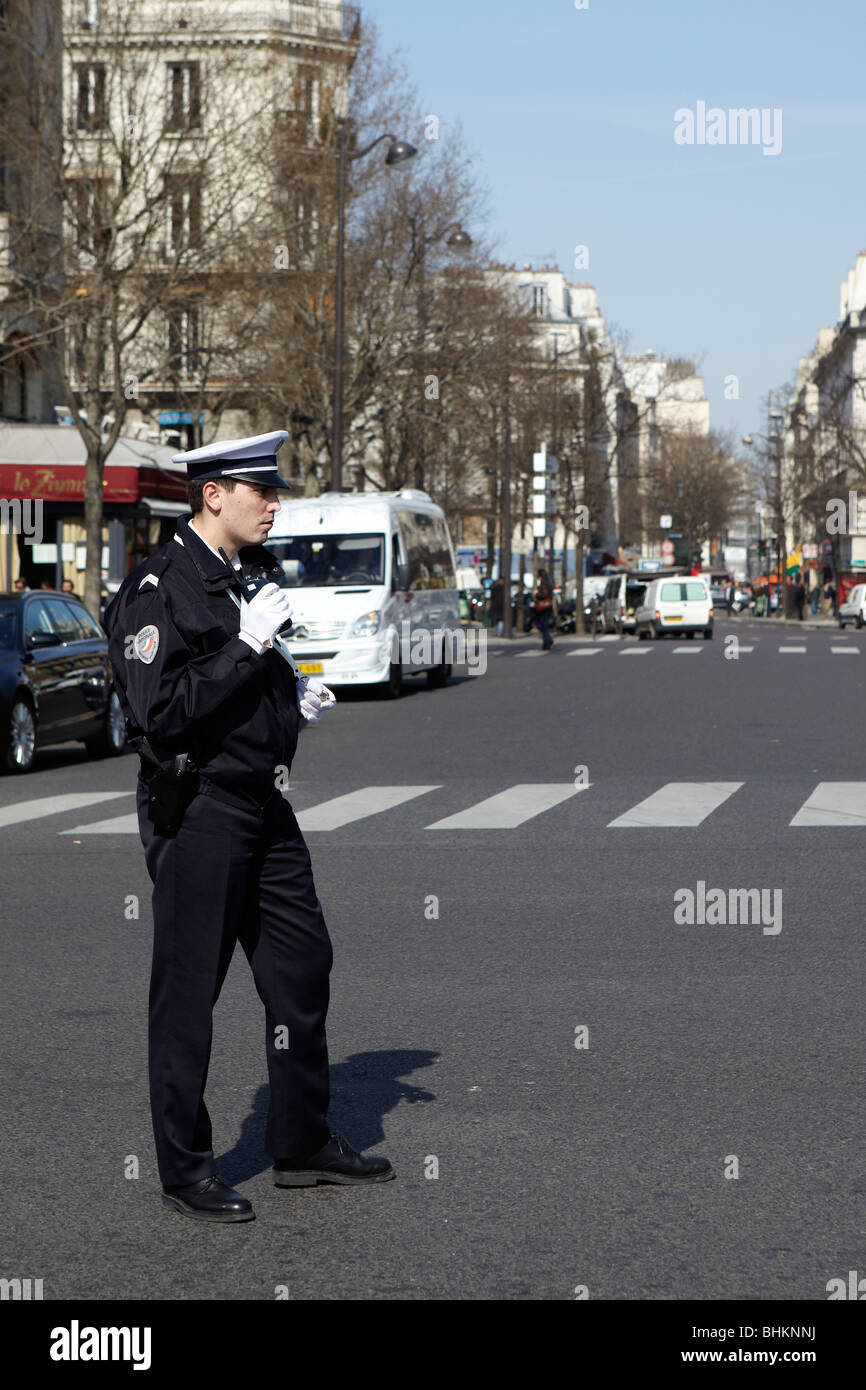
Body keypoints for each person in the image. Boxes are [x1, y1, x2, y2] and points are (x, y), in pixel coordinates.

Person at [102, 430, 394, 1224]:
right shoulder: (158, 590)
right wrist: (246, 644)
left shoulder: (245, 574)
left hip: (264, 806)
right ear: (213, 495)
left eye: (276, 491)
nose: (275, 504)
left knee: (302, 969)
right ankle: (185, 1168)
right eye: (261, 491)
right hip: (197, 811)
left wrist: (288, 699)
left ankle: (298, 1142)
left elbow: (241, 683)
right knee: (188, 995)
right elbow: (160, 712)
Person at [534, 567, 555, 651]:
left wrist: (536, 594)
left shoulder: (544, 583)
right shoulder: (548, 582)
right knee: (543, 625)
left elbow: (544, 594)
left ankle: (546, 645)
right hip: (547, 606)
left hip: (543, 606)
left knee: (543, 626)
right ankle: (549, 641)